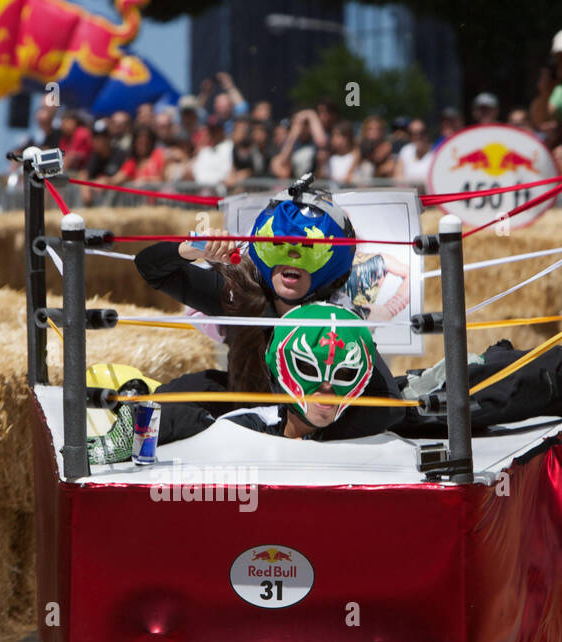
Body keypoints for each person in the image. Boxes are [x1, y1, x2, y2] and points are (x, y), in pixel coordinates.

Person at [132, 180, 403, 437]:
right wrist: (191, 249)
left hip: (310, 422)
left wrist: (309, 436)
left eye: (308, 250)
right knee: (167, 401)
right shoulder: (239, 291)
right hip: (243, 404)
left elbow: (389, 404)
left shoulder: (336, 315)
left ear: (332, 264)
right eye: (279, 245)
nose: (293, 258)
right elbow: (148, 268)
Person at [86, 302, 388, 464]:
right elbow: (198, 425)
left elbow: (406, 408)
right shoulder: (249, 424)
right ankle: (135, 402)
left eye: (344, 375)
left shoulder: (374, 419)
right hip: (218, 393)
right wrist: (138, 429)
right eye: (309, 369)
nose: (326, 389)